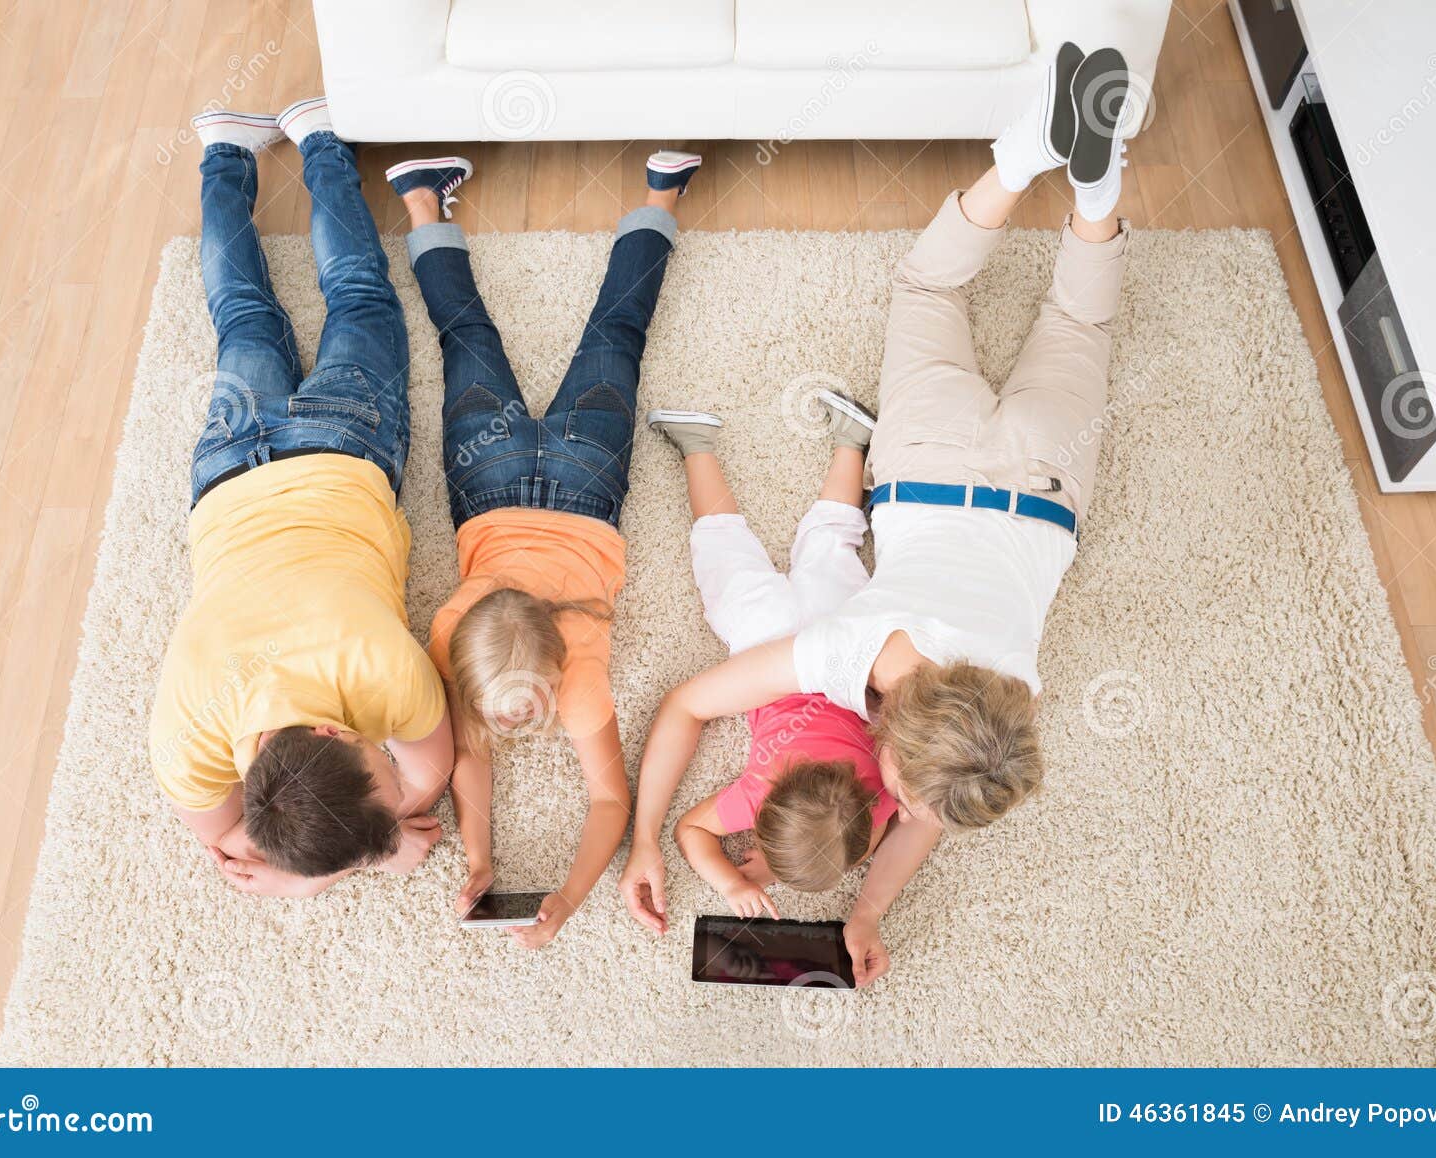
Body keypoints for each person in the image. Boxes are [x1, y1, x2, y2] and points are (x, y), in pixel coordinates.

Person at [619, 43, 1134, 985]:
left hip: (1044, 483)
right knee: (927, 287)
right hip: (929, 468)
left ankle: (1087, 191)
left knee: (1078, 323)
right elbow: (690, 703)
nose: (899, 804)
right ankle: (1029, 152)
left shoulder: (1012, 705)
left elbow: (935, 799)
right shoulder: (851, 650)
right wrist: (649, 836)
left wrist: (862, 911)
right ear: (892, 744)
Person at [389, 148, 703, 947]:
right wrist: (499, 865)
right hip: (492, 475)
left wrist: (552, 887)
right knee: (466, 338)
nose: (525, 721)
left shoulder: (542, 666)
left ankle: (662, 193)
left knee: (615, 335)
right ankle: (420, 200)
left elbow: (590, 795)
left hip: (583, 476)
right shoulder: (460, 634)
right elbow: (604, 798)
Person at [148, 98, 451, 897]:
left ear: (330, 729)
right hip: (229, 469)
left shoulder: (379, 668)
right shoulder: (186, 734)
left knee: (360, 297)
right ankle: (223, 149)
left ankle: (319, 135)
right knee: (241, 319)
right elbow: (230, 841)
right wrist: (338, 858)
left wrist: (320, 876)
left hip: (345, 449)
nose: (394, 770)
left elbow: (426, 773)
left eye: (377, 762)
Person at [628, 395, 897, 925]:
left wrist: (777, 863)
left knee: (830, 545)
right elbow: (690, 831)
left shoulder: (881, 797)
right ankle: (697, 446)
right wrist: (732, 881)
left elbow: (865, 845)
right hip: (765, 648)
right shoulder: (757, 791)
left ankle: (851, 442)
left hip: (836, 638)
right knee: (724, 556)